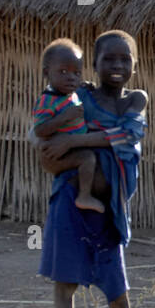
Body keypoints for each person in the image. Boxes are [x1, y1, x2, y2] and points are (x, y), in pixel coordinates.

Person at [36, 30, 155, 308]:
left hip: (111, 210)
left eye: (125, 59)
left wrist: (73, 141)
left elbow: (126, 137)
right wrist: (62, 145)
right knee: (65, 284)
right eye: (109, 59)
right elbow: (44, 145)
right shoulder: (79, 99)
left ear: (135, 65)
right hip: (72, 204)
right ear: (95, 64)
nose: (117, 65)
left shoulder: (137, 99)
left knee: (118, 290)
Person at [32, 38, 106, 214]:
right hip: (53, 155)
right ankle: (84, 196)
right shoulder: (46, 101)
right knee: (88, 158)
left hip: (68, 148)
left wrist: (86, 85)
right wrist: (64, 118)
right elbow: (40, 130)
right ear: (46, 73)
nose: (71, 78)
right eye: (63, 71)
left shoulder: (69, 93)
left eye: (77, 73)